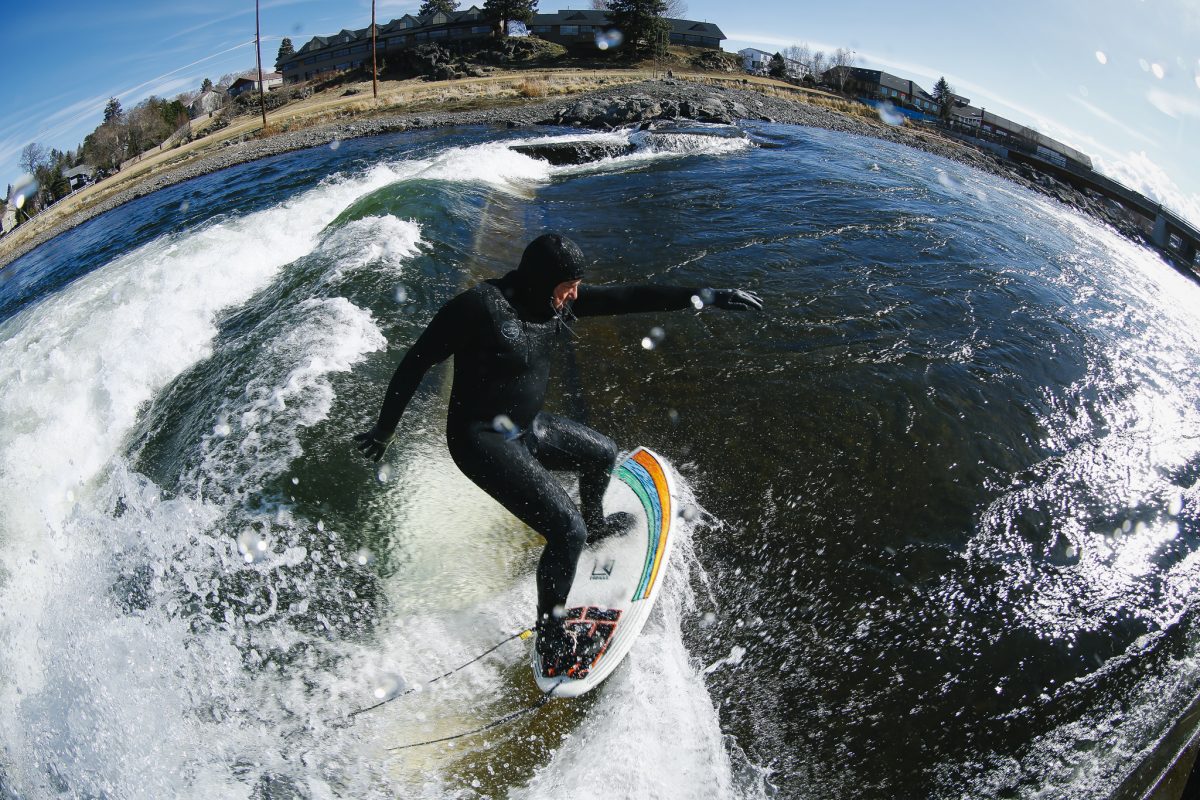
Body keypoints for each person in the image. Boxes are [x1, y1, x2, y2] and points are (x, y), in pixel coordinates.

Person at [354, 233, 761, 676]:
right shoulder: (479, 308)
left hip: (525, 428)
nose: (573, 295)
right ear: (540, 279)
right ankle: (551, 640)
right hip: (480, 441)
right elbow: (415, 361)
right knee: (566, 530)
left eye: (575, 287)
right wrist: (384, 430)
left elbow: (629, 296)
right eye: (567, 285)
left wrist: (705, 295)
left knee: (603, 453)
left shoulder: (555, 302)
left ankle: (598, 525)